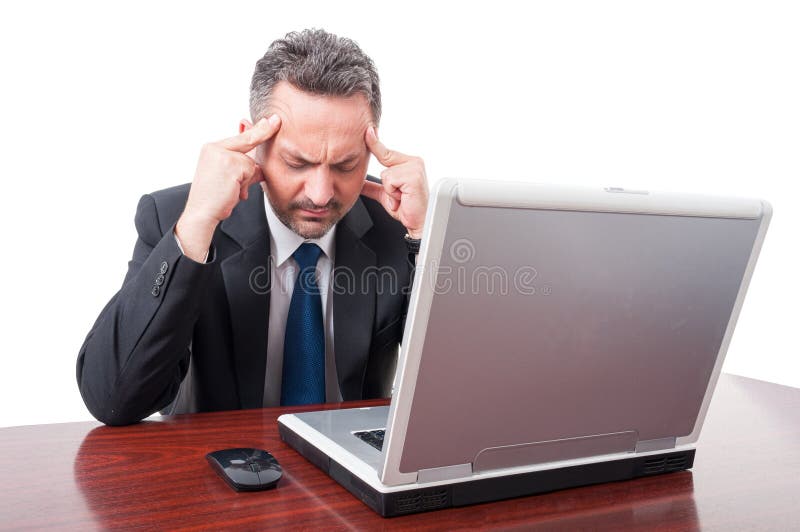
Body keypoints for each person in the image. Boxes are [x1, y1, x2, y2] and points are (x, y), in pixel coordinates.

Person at [76, 28, 429, 426]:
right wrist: (195, 227)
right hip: (221, 467)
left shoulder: (394, 221)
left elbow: (454, 386)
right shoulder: (179, 216)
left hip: (351, 470)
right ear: (252, 143)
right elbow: (111, 400)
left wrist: (424, 240)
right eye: (297, 163)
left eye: (346, 165)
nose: (320, 193)